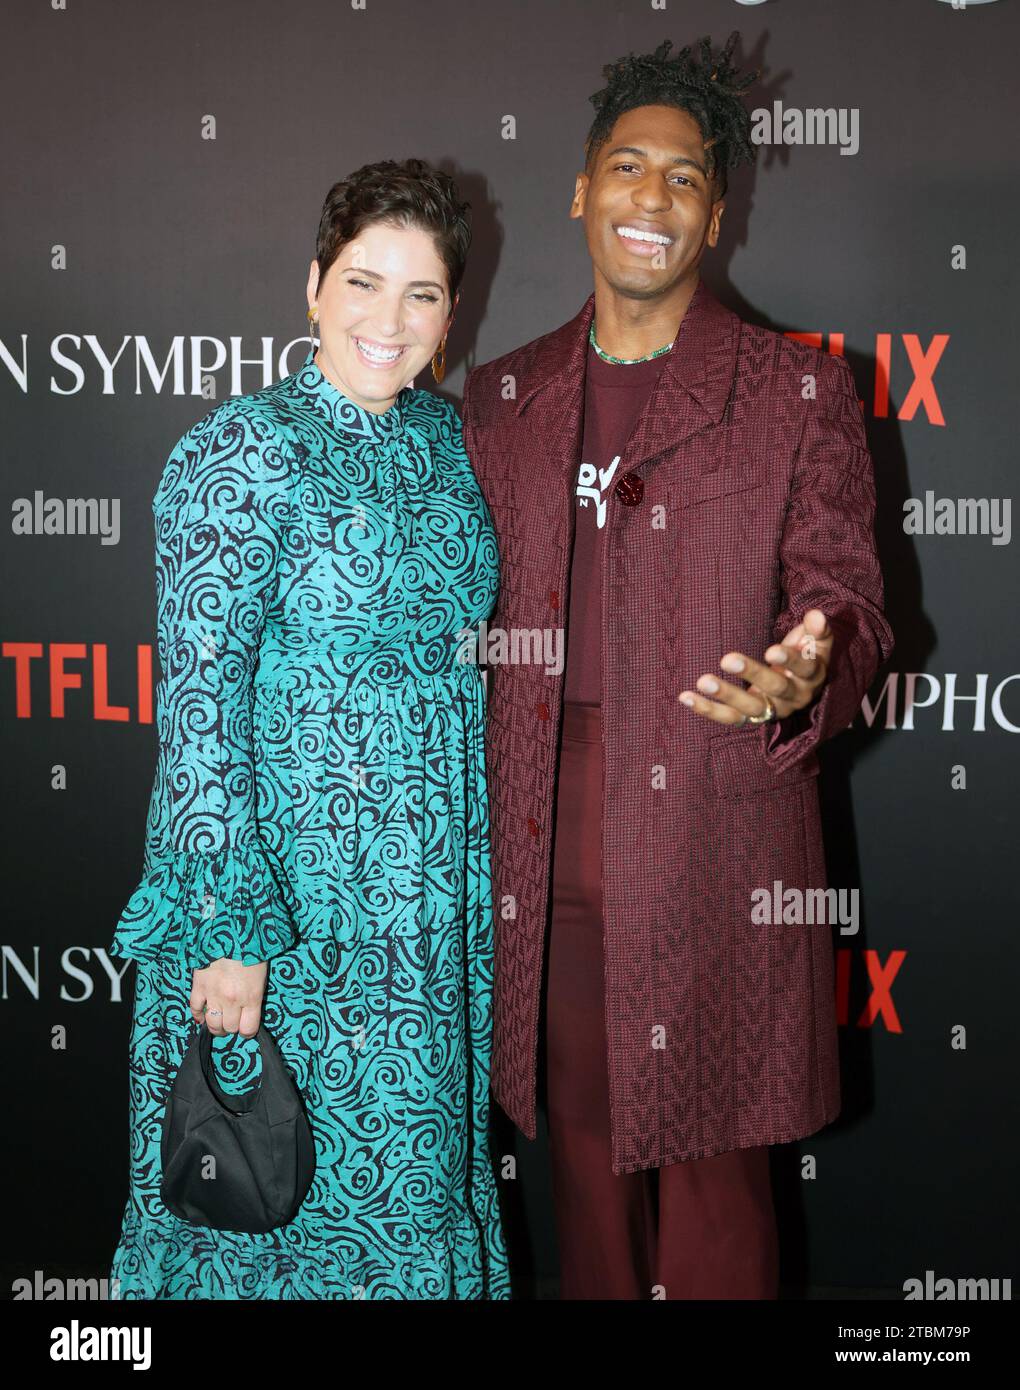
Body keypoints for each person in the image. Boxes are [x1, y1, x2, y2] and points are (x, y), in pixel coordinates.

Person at [462, 34, 894, 1299]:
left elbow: (850, 606)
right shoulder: (500, 398)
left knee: (718, 1200)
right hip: (545, 837)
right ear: (581, 191)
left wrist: (811, 672)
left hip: (715, 834)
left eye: (686, 179)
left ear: (716, 215)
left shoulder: (798, 394)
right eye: (628, 167)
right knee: (585, 1179)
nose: (652, 198)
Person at [108, 158, 510, 1300]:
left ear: (451, 312)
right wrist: (232, 930)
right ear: (313, 287)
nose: (390, 320)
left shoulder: (444, 443)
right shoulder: (243, 450)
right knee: (273, 1184)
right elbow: (196, 707)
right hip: (288, 891)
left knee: (407, 1170)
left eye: (423, 294)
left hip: (419, 900)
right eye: (364, 283)